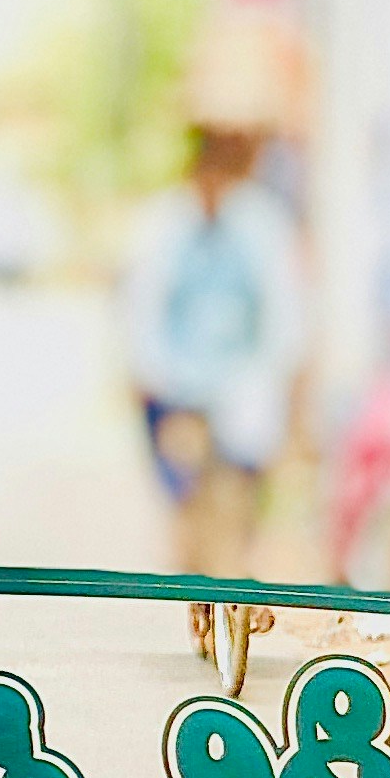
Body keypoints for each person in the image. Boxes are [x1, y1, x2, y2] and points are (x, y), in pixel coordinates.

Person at [121, 122, 306, 574]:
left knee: (237, 516)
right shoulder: (164, 223)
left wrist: (279, 384)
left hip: (243, 394)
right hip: (179, 395)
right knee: (188, 514)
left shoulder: (260, 223)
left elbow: (286, 311)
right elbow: (140, 309)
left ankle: (232, 605)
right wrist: (151, 383)